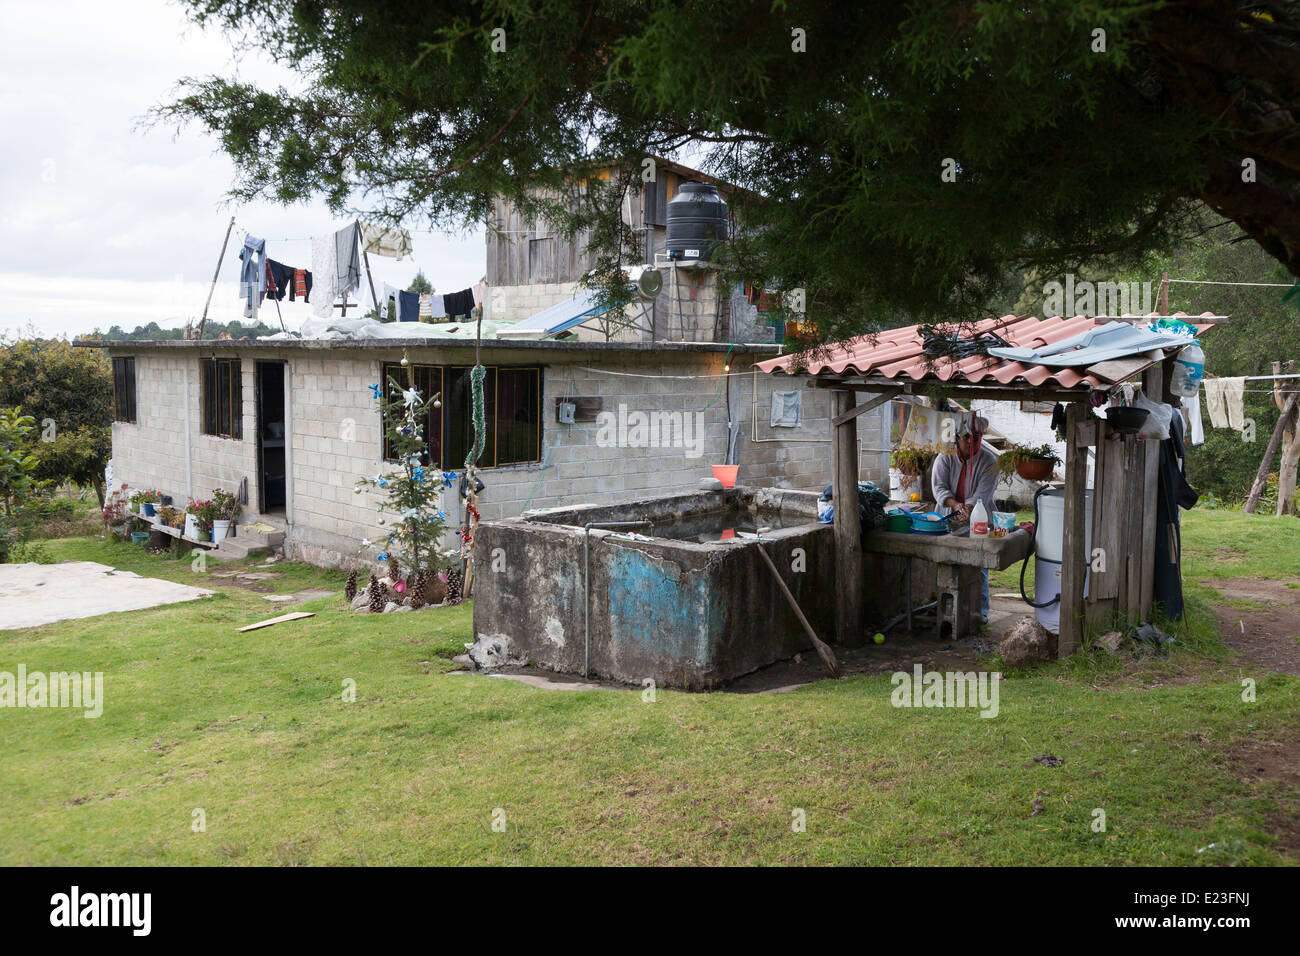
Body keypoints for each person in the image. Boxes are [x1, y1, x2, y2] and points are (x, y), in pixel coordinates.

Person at [930, 414, 998, 621]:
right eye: (966, 436)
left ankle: (980, 612)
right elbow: (939, 488)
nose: (971, 441)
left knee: (979, 565)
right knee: (947, 562)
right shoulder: (945, 456)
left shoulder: (989, 461)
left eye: (976, 436)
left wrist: (966, 509)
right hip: (947, 516)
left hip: (977, 517)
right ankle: (946, 610)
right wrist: (956, 506)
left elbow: (983, 494)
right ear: (957, 438)